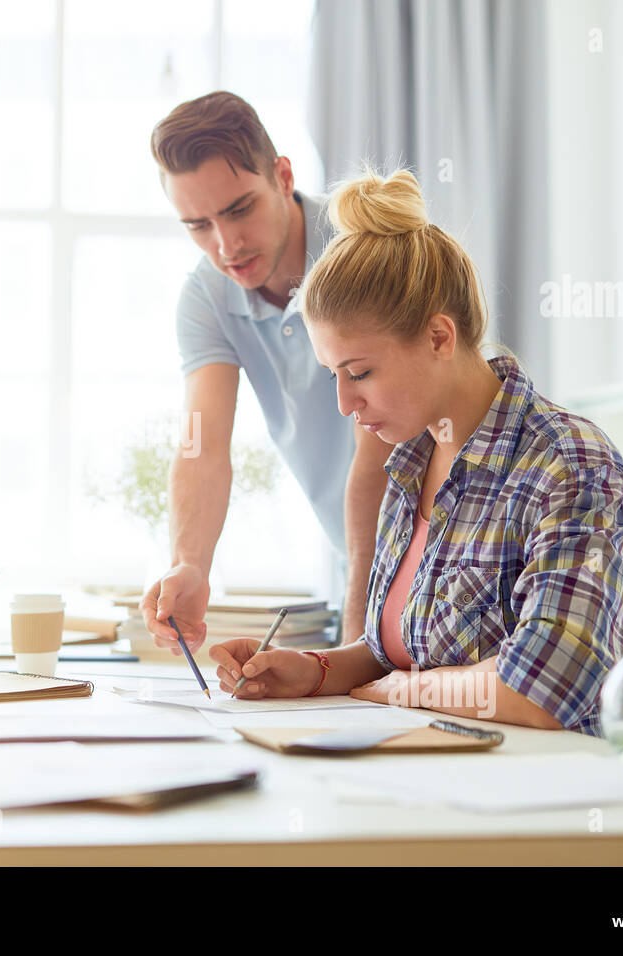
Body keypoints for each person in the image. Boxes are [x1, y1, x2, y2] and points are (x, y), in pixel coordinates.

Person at [208, 167, 623, 735]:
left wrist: (407, 690)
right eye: (333, 378)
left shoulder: (571, 466)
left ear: (440, 337)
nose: (346, 403)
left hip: (561, 796)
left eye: (361, 372)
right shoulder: (410, 464)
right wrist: (312, 670)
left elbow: (545, 690)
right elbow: (394, 652)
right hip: (447, 782)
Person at [138, 91, 392, 655]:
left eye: (238, 209)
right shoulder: (207, 298)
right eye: (198, 225)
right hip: (358, 557)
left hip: (435, 540)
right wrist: (190, 564)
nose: (226, 246)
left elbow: (376, 454)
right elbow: (202, 445)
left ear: (282, 176)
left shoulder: (359, 244)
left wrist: (354, 642)